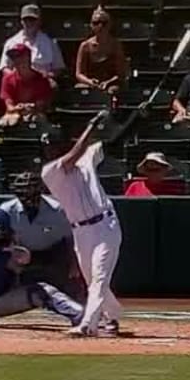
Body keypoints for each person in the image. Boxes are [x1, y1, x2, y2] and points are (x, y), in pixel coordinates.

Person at [41, 111, 123, 337]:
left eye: (54, 144)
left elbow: (115, 142)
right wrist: (91, 126)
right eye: (48, 146)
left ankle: (89, 324)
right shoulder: (49, 171)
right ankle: (114, 315)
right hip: (81, 231)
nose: (51, 149)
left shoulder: (87, 156)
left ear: (63, 143)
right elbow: (72, 157)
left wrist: (138, 117)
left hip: (106, 224)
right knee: (92, 279)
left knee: (98, 275)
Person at [0, 170, 80, 300]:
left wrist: (74, 265)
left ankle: (79, 309)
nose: (28, 193)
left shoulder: (57, 209)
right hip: (22, 253)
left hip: (53, 251)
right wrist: (13, 258)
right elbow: (3, 240)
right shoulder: (6, 210)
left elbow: (70, 238)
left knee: (72, 284)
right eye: (24, 190)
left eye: (31, 188)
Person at [75, 8, 128, 100]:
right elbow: (79, 73)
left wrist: (107, 82)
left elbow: (120, 73)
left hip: (111, 83)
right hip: (90, 83)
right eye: (96, 23)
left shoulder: (115, 45)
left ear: (109, 25)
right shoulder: (85, 46)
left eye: (104, 23)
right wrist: (90, 82)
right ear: (91, 25)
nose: (100, 26)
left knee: (113, 91)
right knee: (80, 90)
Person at [0, 44, 55, 127]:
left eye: (20, 56)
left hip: (35, 114)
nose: (17, 60)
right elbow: (9, 106)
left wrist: (31, 106)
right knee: (5, 122)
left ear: (28, 58)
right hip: (14, 113)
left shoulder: (41, 79)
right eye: (14, 58)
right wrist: (18, 108)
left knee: (37, 120)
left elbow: (41, 105)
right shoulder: (7, 79)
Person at [0, 4, 64, 75]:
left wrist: (48, 76)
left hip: (41, 82)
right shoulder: (11, 43)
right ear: (21, 22)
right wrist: (15, 78)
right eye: (26, 20)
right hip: (19, 83)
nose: (29, 23)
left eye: (32, 20)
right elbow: (4, 68)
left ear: (39, 21)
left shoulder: (50, 43)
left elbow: (58, 68)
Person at [124, 152, 188, 196]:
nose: (153, 173)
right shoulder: (134, 186)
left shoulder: (174, 188)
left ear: (165, 170)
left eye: (156, 170)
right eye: (149, 170)